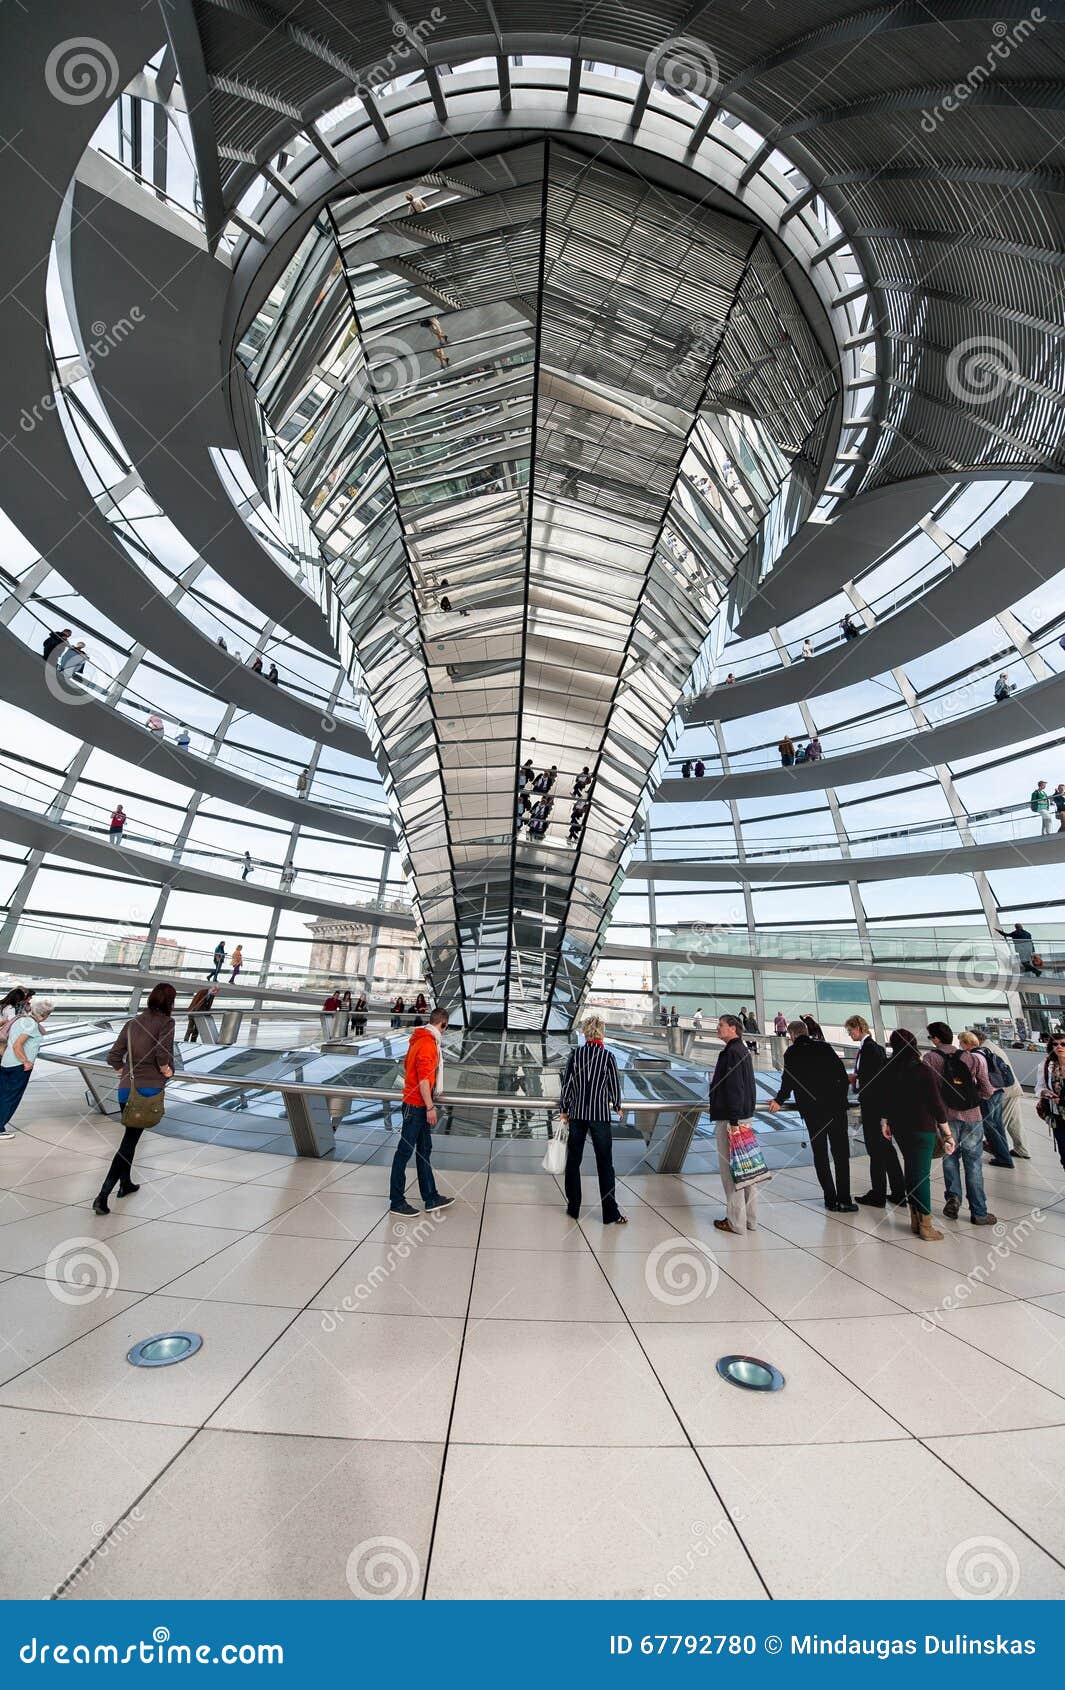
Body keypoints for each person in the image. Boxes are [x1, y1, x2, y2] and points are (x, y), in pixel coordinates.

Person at [95, 984, 176, 1211]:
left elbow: (113, 1056)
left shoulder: (132, 1024)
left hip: (125, 1090)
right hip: (147, 1091)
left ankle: (126, 1183)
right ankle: (102, 1195)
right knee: (129, 1142)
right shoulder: (167, 1023)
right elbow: (162, 1052)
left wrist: (124, 1071)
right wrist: (165, 1070)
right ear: (170, 1001)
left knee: (131, 1136)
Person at [769, 1021, 856, 1211]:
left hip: (813, 1112)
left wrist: (779, 1100)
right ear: (806, 1032)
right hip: (835, 1109)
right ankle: (845, 1200)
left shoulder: (792, 1053)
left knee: (820, 1154)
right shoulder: (824, 1047)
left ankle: (830, 1199)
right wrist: (840, 1098)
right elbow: (841, 1075)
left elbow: (788, 1081)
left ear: (792, 1035)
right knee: (841, 1154)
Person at [879, 1029, 954, 1241]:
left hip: (900, 1128)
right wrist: (946, 1132)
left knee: (911, 1171)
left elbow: (886, 1098)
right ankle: (926, 1226)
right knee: (921, 1175)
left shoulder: (889, 1068)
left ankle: (915, 1220)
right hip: (922, 1128)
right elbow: (936, 1105)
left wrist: (885, 1121)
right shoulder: (922, 1070)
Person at [923, 1022, 996, 1225]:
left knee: (950, 1158)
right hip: (972, 1116)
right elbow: (987, 1089)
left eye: (931, 1038)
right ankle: (979, 1212)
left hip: (946, 1118)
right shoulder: (970, 1057)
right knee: (973, 1164)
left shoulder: (930, 1058)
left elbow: (929, 1091)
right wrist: (972, 1099)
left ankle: (953, 1197)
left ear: (937, 1039)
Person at [559, 1014, 626, 1224]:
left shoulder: (576, 1055)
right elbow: (614, 1084)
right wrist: (617, 1105)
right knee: (605, 1164)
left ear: (586, 1032)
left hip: (577, 1115)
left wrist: (564, 1108)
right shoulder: (608, 1057)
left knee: (573, 1161)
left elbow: (568, 1084)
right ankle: (609, 1214)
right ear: (601, 1033)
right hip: (599, 1117)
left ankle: (574, 1207)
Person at [389, 1007, 454, 1216]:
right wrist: (430, 1107)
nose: (444, 1032)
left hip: (414, 1103)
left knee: (424, 1150)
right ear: (442, 1024)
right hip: (417, 1106)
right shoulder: (427, 1043)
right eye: (445, 1028)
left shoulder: (419, 1039)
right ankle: (397, 1202)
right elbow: (424, 1079)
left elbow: (409, 1067)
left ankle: (431, 1197)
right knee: (404, 1153)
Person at [845, 1014, 906, 1207]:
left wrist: (857, 1079)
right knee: (886, 1150)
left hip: (874, 1107)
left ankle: (878, 1193)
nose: (849, 1034)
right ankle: (898, 1191)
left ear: (859, 1028)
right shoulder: (872, 1049)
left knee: (876, 1150)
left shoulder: (870, 1050)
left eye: (850, 1030)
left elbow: (873, 1079)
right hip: (879, 1106)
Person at [709, 1014, 759, 1234]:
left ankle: (735, 1222)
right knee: (746, 1170)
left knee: (732, 1172)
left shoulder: (731, 1053)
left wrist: (733, 1121)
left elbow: (734, 1088)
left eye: (721, 1025)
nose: (718, 1029)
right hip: (743, 1117)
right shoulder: (743, 1051)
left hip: (732, 1120)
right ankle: (750, 1220)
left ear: (733, 1028)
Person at [0, 998, 54, 1140]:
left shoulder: (21, 1020)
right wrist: (26, 1062)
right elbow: (18, 1045)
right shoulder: (30, 1024)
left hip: (6, 1062)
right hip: (18, 1065)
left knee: (3, 1095)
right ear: (46, 1014)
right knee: (10, 1098)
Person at [958, 1030, 1013, 1167]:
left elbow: (980, 1078)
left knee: (990, 1128)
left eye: (961, 1042)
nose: (959, 1045)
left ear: (966, 1043)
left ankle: (1003, 1158)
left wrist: (985, 1094)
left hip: (988, 1094)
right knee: (997, 1126)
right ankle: (1004, 1155)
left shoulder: (974, 1056)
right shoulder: (984, 1051)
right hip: (998, 1091)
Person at [975, 1029, 1029, 1157]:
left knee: (997, 1123)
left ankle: (998, 1150)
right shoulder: (991, 1046)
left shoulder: (984, 1050)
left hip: (1004, 1090)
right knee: (1014, 1122)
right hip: (1011, 1089)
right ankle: (1021, 1149)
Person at [1038, 1033, 1065, 1174]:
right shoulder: (1046, 1064)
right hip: (1058, 1117)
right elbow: (1039, 1087)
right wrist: (1045, 1093)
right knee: (1064, 1155)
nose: (1059, 1047)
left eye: (1063, 1044)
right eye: (1055, 1044)